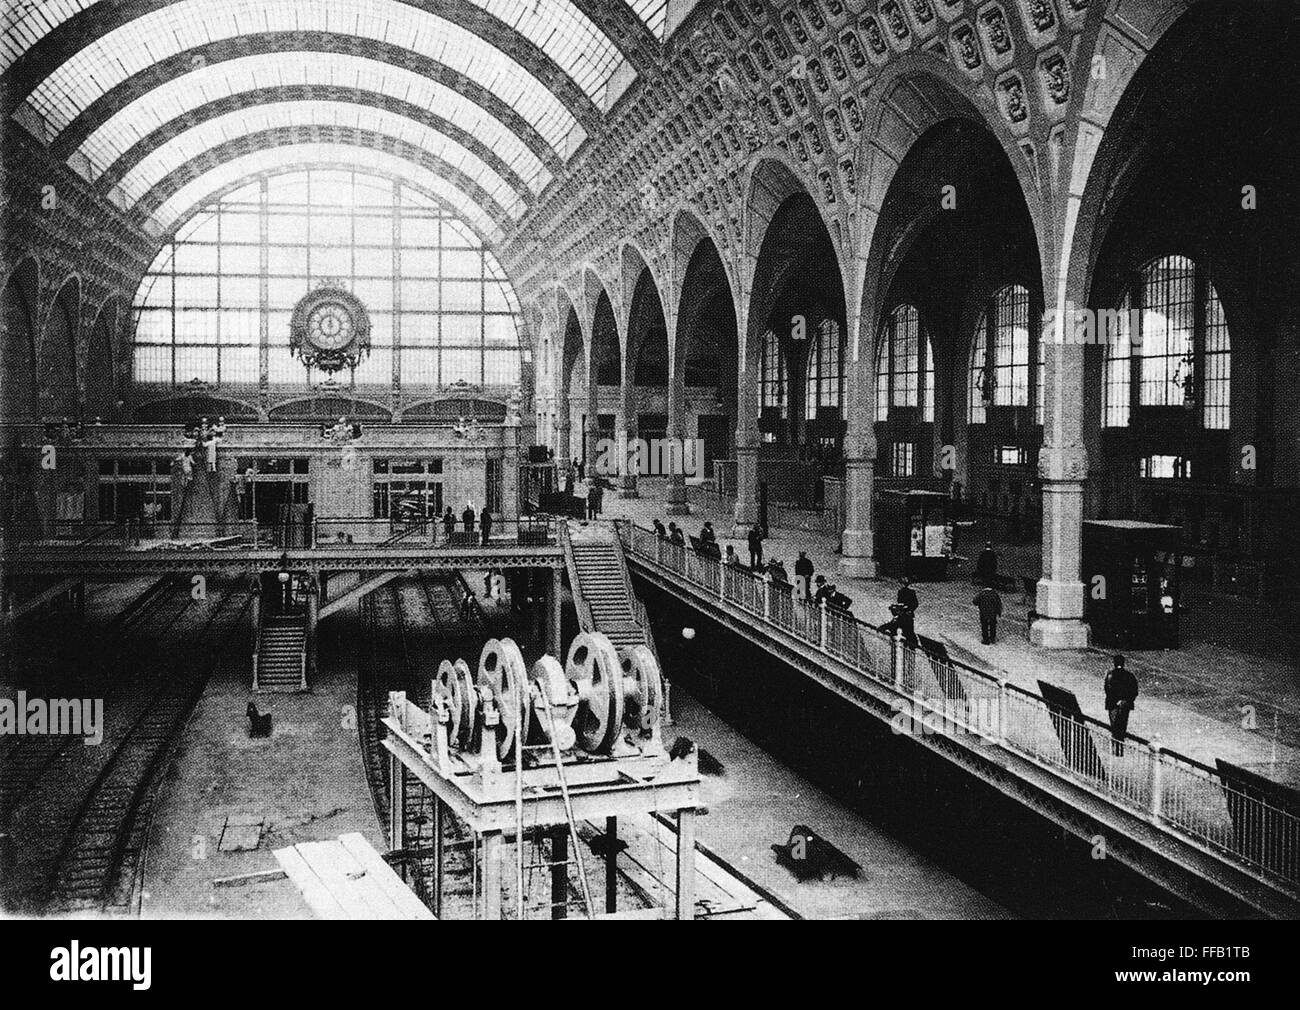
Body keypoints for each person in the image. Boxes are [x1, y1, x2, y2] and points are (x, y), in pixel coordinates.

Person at [1103, 655, 1139, 756]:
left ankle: (1116, 746)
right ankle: (1120, 748)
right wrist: (1125, 700)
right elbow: (1134, 691)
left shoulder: (1110, 675)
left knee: (1114, 725)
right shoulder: (1129, 675)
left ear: (1114, 663)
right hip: (1125, 704)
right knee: (1122, 724)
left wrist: (1115, 700)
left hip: (1112, 704)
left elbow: (1107, 689)